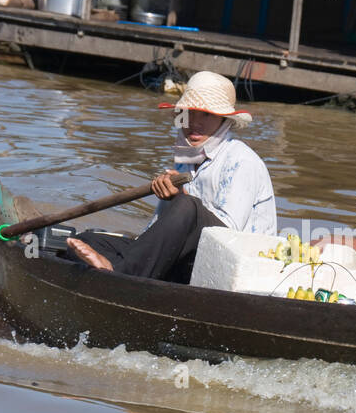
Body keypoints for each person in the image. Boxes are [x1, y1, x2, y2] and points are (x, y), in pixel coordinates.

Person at [65, 71, 275, 282]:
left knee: (186, 205)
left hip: (230, 263)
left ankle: (122, 277)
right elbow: (164, 224)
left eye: (206, 114)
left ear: (224, 120)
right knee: (87, 240)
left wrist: (180, 197)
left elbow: (230, 234)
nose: (194, 122)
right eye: (189, 113)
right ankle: (118, 268)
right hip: (185, 255)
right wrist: (140, 242)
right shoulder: (187, 158)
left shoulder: (241, 159)